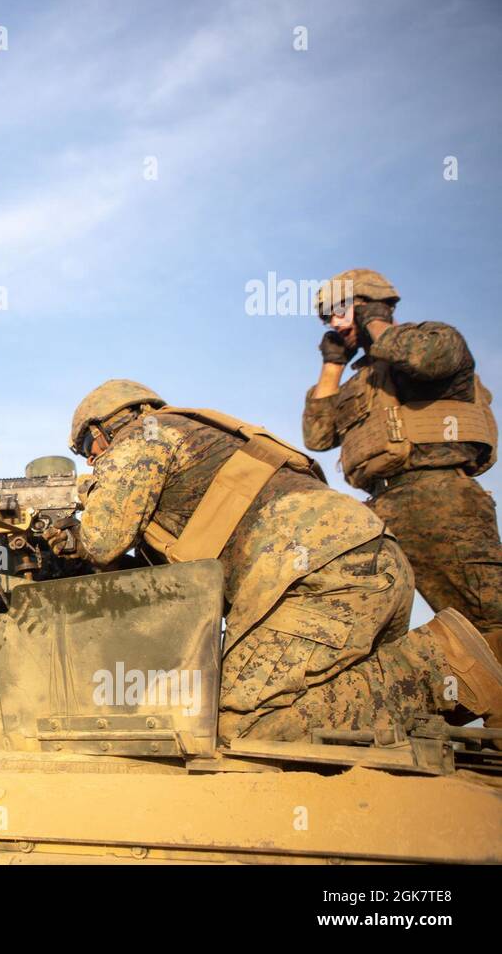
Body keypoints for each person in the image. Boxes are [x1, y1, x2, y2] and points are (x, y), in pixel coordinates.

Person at [46, 379, 502, 741]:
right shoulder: (198, 442)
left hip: (322, 580)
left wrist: (72, 530)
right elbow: (177, 587)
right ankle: (435, 685)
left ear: (102, 430)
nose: (91, 462)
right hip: (365, 562)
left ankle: (439, 667)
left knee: (236, 725)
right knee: (322, 700)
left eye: (88, 451)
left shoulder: (143, 437)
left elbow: (102, 540)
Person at [303, 268, 502, 663]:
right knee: (362, 622)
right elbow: (318, 436)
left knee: (484, 619)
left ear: (369, 304)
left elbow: (426, 361)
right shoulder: (361, 380)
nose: (334, 324)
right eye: (326, 318)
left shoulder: (435, 341)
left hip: (441, 497)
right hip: (378, 507)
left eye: (340, 311)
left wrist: (375, 323)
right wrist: (333, 365)